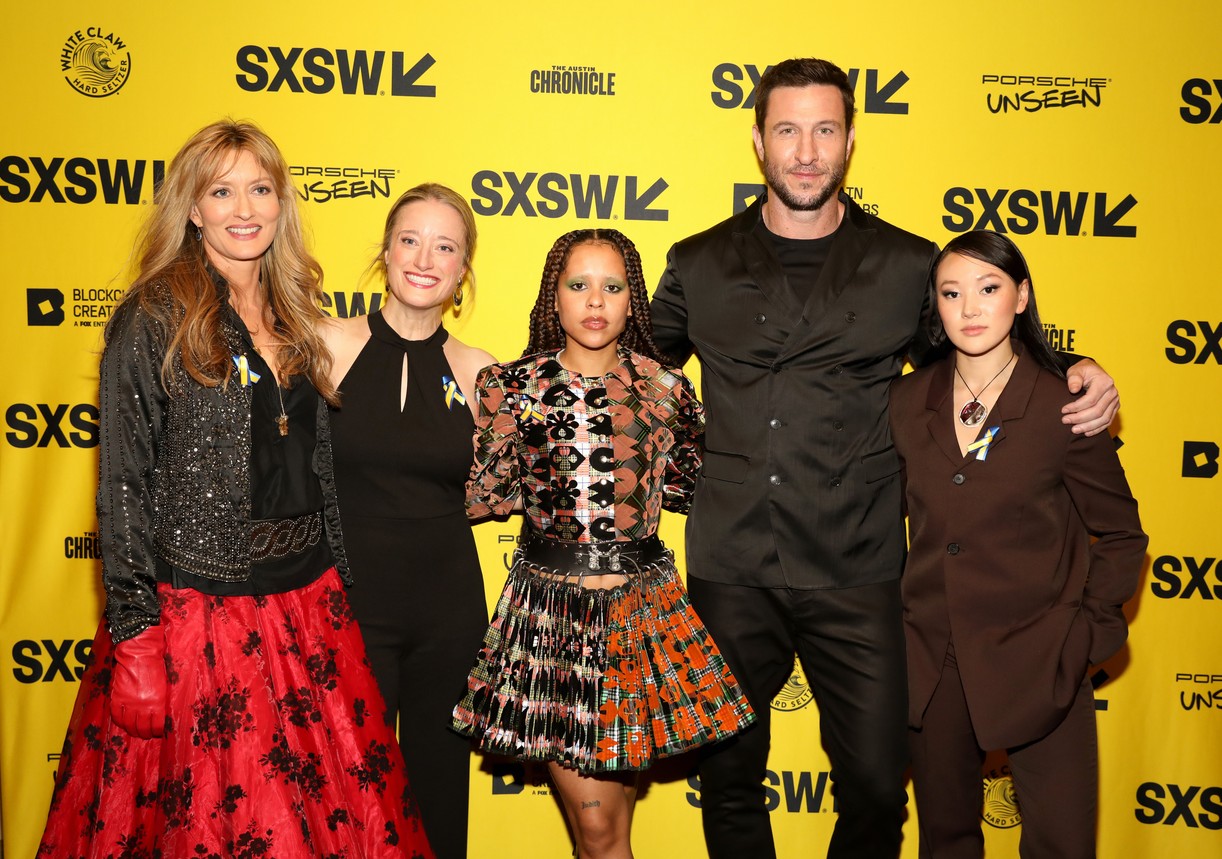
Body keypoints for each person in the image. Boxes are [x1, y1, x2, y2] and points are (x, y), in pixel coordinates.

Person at [648, 58, 1121, 859]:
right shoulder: (699, 261)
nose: (806, 150)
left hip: (859, 561)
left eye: (824, 130)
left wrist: (1076, 366)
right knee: (729, 777)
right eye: (788, 130)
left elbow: (984, 344)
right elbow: (621, 361)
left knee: (875, 782)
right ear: (758, 141)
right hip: (732, 562)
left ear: (851, 141)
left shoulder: (908, 263)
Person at [38, 120, 432, 858]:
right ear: (192, 208)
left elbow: (310, 464)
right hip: (201, 614)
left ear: (282, 202)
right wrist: (135, 637)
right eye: (221, 191)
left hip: (308, 605)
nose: (243, 207)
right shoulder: (153, 316)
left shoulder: (296, 313)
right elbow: (122, 484)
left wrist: (339, 577)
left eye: (260, 188)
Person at [451, 229, 755, 859]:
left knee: (610, 833)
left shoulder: (665, 391)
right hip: (551, 622)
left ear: (631, 301)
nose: (595, 302)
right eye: (578, 285)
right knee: (597, 830)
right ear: (552, 300)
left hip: (644, 621)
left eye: (612, 287)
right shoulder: (512, 388)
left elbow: (699, 489)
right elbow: (483, 492)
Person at [889, 230, 1146, 857]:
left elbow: (1119, 533)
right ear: (935, 305)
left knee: (1061, 844)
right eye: (952, 293)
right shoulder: (903, 400)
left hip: (1043, 657)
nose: (970, 308)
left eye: (989, 288)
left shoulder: (1066, 403)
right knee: (945, 841)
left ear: (1021, 297)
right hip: (934, 658)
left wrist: (1089, 636)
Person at [323, 183, 494, 859]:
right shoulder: (326, 343)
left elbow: (505, 488)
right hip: (348, 605)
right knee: (347, 792)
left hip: (448, 613)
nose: (426, 257)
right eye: (411, 240)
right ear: (386, 252)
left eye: (445, 246)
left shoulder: (481, 371)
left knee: (438, 790)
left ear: (462, 271)